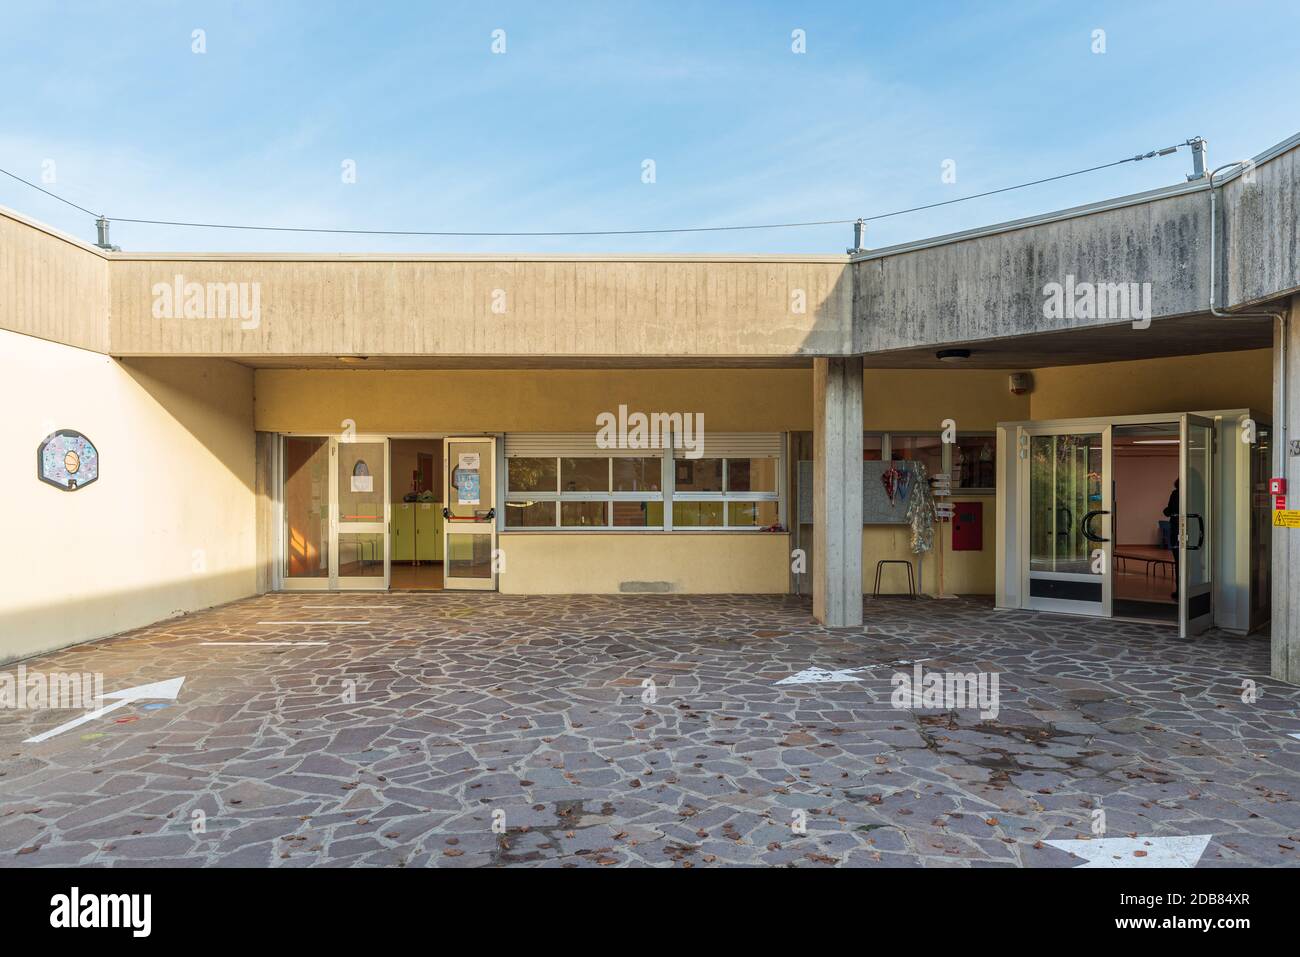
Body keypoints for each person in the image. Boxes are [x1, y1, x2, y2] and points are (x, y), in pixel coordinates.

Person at [1161, 478, 1179, 601]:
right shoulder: (1196, 493)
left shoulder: (1176, 494)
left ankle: (1180, 590)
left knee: (1179, 561)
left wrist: (1166, 511)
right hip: (1192, 530)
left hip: (1177, 529)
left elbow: (1168, 511)